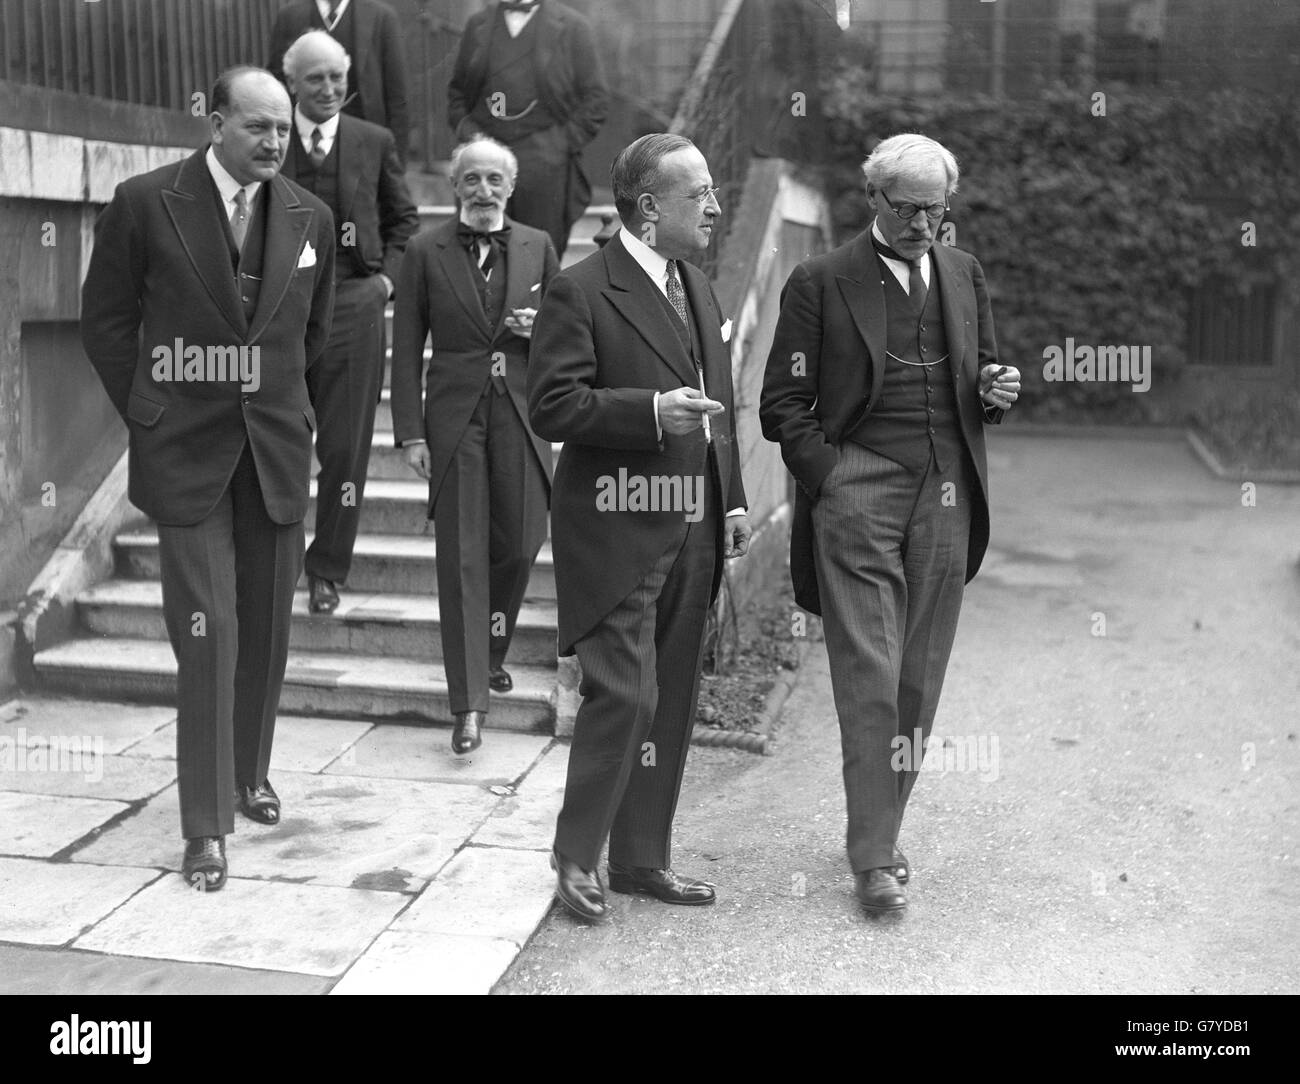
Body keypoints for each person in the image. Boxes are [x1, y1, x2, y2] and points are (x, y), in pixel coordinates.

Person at [80, 67, 337, 892]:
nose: (273, 143)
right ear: (215, 122)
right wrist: (147, 411)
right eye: (258, 128)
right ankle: (204, 828)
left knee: (264, 628)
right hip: (184, 454)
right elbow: (108, 322)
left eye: (283, 131)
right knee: (207, 633)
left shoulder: (312, 219)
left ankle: (248, 774)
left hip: (274, 452)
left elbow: (314, 337)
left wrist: (295, 418)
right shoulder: (146, 202)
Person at [759, 133, 1021, 917]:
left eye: (933, 209)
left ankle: (879, 827)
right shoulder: (821, 280)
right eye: (904, 208)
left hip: (949, 492)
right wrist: (833, 478)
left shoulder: (965, 273)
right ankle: (873, 857)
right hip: (860, 489)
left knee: (918, 677)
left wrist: (996, 392)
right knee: (870, 673)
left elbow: (983, 378)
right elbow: (782, 405)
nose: (919, 224)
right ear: (871, 198)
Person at [527, 133, 750, 923]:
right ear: (650, 209)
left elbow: (723, 405)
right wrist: (650, 412)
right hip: (617, 528)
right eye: (702, 196)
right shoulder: (580, 289)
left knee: (673, 696)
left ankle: (641, 859)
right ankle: (576, 856)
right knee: (626, 694)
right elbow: (553, 405)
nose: (717, 208)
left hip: (693, 524)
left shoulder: (699, 286)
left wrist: (729, 502)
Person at [390, 136, 558, 755]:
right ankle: (468, 705)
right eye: (471, 180)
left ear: (510, 188)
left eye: (494, 180)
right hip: (454, 417)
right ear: (454, 187)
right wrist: (410, 432)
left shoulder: (538, 246)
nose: (483, 190)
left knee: (519, 543)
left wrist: (542, 328)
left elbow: (573, 335)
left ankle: (490, 648)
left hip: (522, 412)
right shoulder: (422, 250)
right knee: (461, 554)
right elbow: (405, 348)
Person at [279, 30, 418, 615]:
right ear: (291, 84)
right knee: (277, 442)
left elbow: (403, 221)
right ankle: (276, 560)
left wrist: (385, 283)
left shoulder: (371, 139)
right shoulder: (269, 138)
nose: (331, 89)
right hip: (277, 312)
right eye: (316, 79)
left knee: (345, 449)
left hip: (355, 304)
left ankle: (327, 568)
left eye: (338, 77)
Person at [448, 0, 608, 259]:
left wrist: (559, 144)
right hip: (484, 160)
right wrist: (471, 136)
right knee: (477, 255)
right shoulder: (478, 24)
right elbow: (457, 94)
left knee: (539, 259)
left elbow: (596, 100)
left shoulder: (574, 27)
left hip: (545, 165)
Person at [267, 0, 410, 165]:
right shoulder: (290, 16)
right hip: (305, 143)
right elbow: (278, 84)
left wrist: (396, 162)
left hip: (365, 146)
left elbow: (397, 95)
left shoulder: (381, 16)